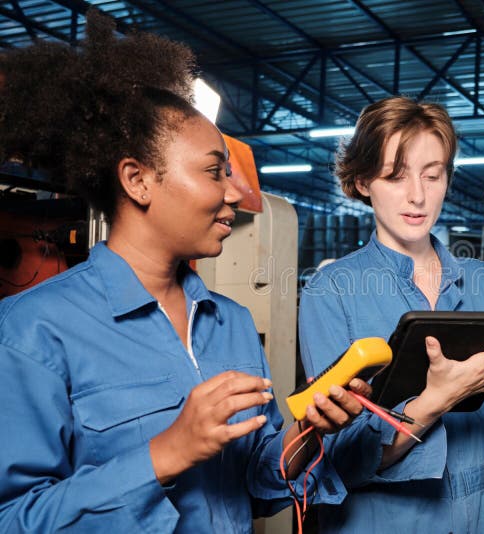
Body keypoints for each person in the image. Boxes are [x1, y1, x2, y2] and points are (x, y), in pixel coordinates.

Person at [0, 12, 369, 532]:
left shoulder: (233, 323)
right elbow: (14, 518)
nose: (234, 193)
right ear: (139, 180)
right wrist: (167, 452)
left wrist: (309, 433)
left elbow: (259, 485)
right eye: (215, 170)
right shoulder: (32, 331)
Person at [298, 96, 484, 533]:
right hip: (383, 520)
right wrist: (435, 401)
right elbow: (338, 457)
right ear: (363, 181)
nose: (417, 196)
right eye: (395, 176)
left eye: (432, 175)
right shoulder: (333, 291)